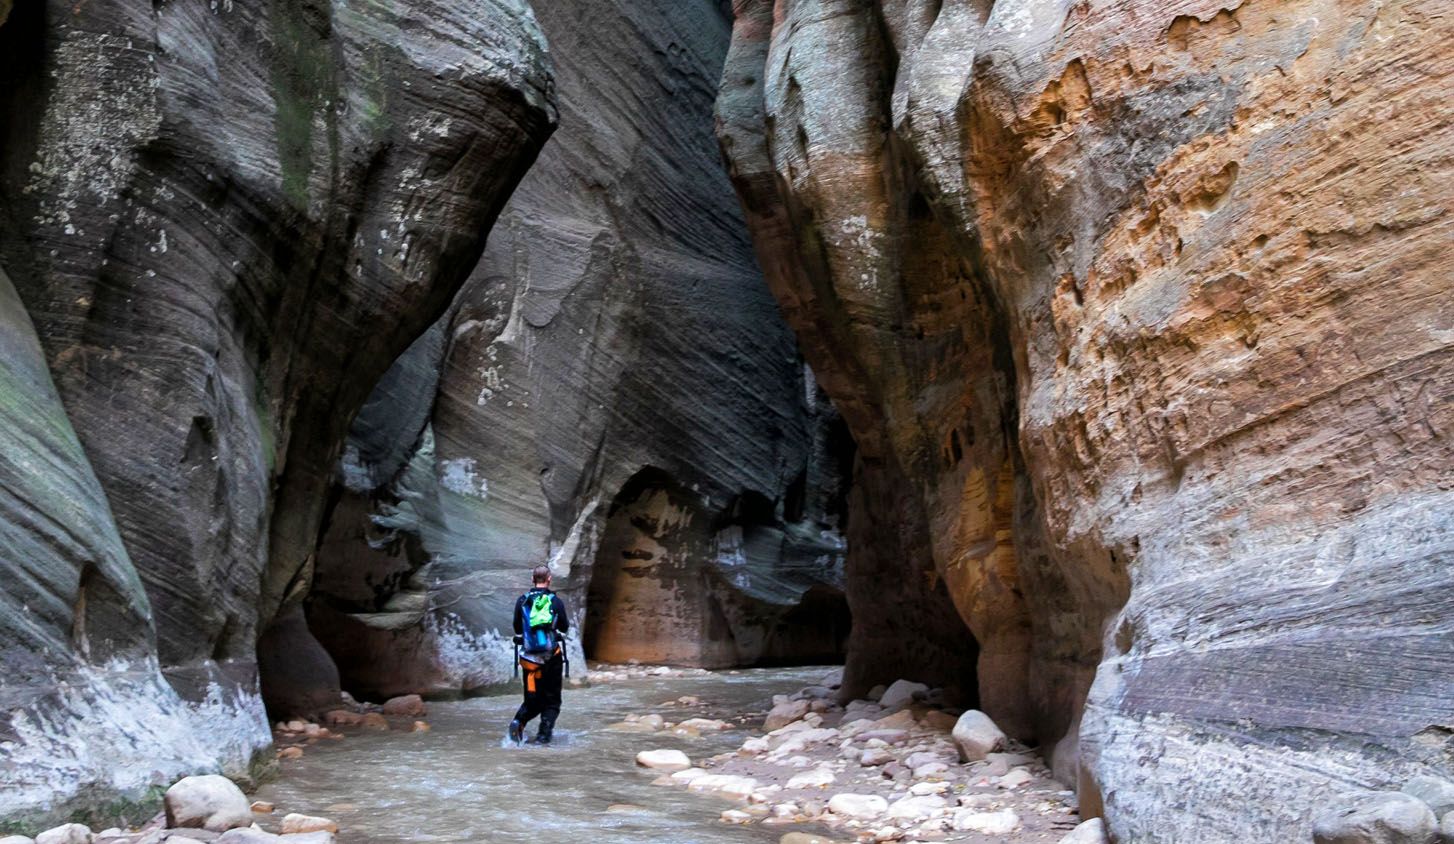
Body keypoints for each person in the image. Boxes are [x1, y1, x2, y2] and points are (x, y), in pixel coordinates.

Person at [509, 565, 569, 745]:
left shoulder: (522, 601)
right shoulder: (555, 601)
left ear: (532, 579)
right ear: (549, 579)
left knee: (532, 698)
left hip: (529, 660)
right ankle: (543, 738)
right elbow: (564, 626)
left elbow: (517, 628)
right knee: (552, 701)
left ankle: (518, 721)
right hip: (552, 658)